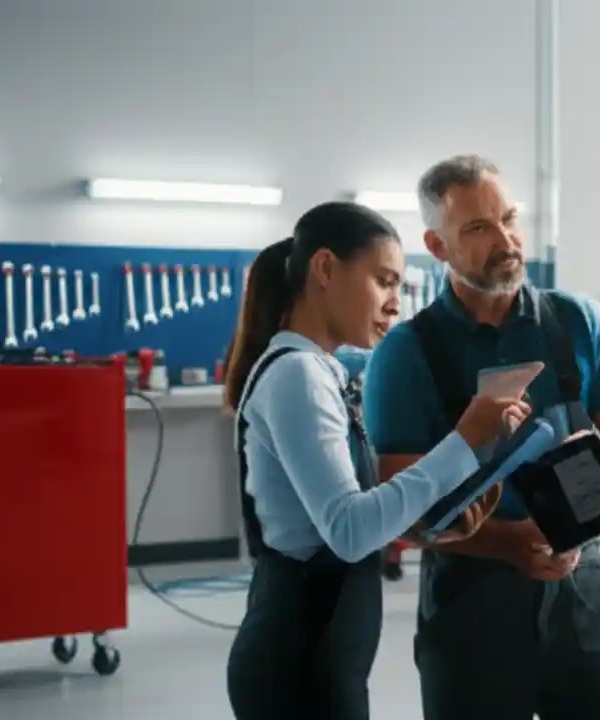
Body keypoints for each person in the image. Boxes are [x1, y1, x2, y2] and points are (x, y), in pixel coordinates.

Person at [363, 155, 600, 720]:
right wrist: (509, 542)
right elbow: (397, 507)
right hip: (470, 618)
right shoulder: (407, 354)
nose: (505, 239)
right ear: (438, 244)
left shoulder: (579, 323)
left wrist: (570, 516)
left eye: (509, 219)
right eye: (477, 228)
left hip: (587, 606)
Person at [222, 200, 527, 720]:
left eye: (400, 288)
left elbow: (340, 518)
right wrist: (463, 441)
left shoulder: (321, 370)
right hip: (298, 665)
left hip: (321, 656)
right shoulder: (297, 375)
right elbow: (348, 531)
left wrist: (433, 523)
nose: (394, 304)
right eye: (383, 281)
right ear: (323, 268)